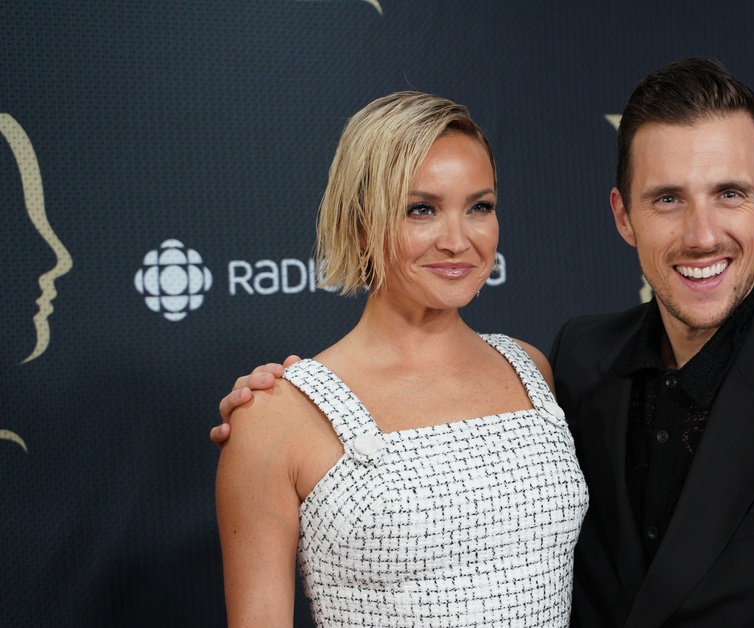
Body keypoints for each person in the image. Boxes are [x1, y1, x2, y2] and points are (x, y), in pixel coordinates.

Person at [216, 60, 754, 626]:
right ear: (623, 217)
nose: (702, 234)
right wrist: (282, 409)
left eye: (729, 194)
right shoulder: (574, 365)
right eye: (667, 199)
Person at [214, 91, 587, 627]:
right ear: (362, 224)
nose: (457, 240)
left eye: (479, 207)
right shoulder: (276, 415)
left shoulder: (530, 369)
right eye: (421, 210)